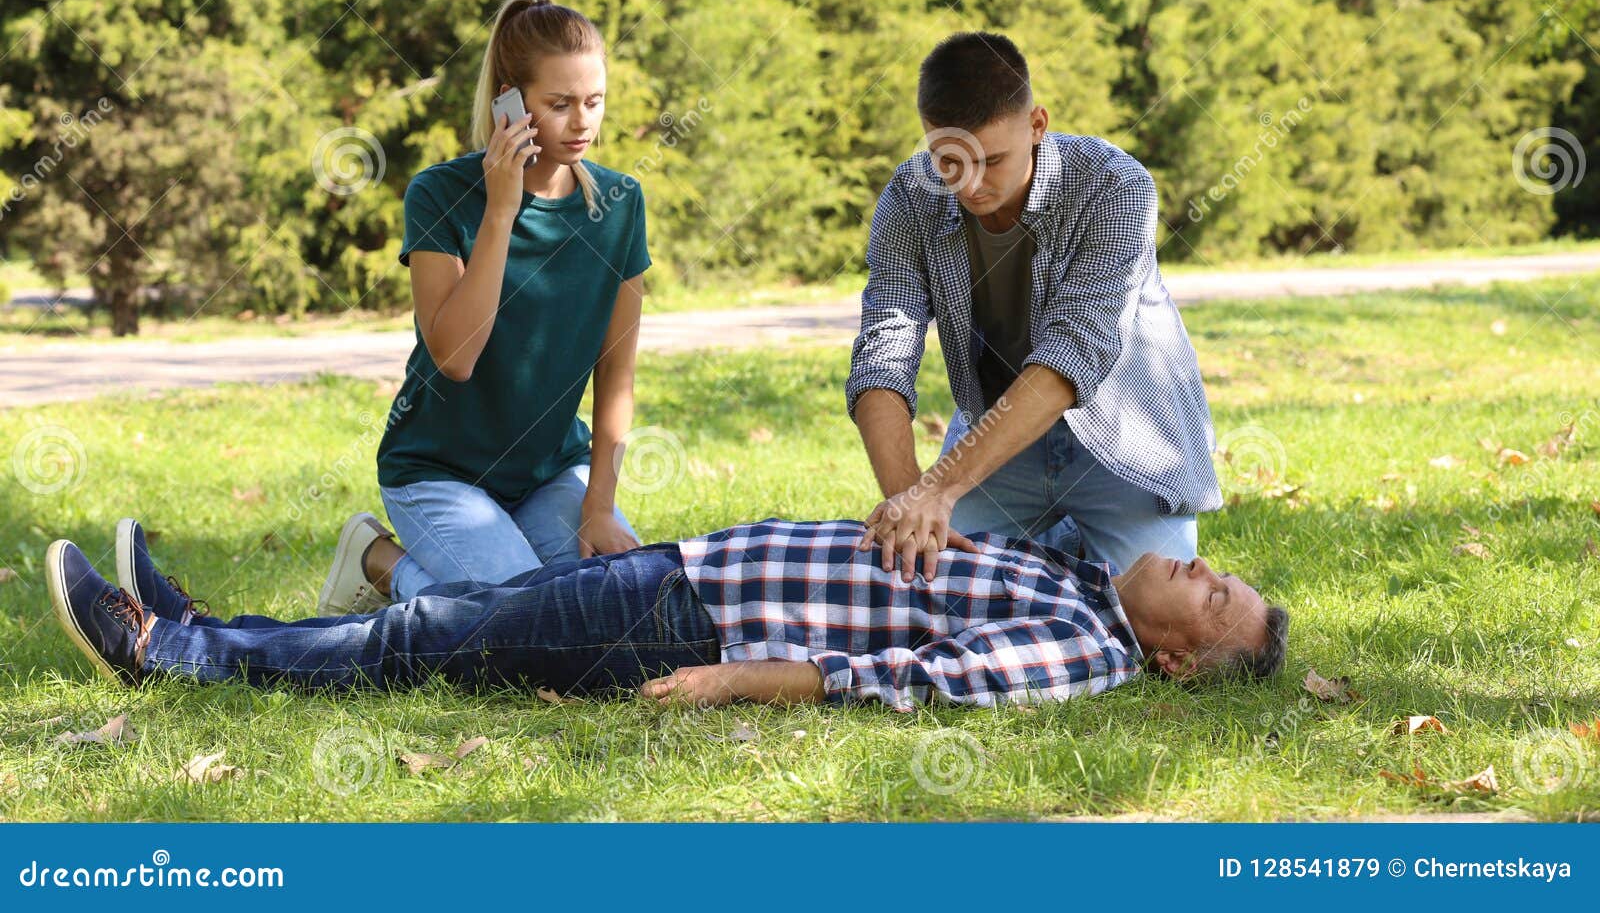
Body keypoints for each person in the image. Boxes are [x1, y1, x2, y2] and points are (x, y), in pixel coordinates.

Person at [48, 516, 1287, 711]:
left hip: (693, 621)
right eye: (1213, 570)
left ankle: (175, 652)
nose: (1196, 568)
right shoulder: (1080, 584)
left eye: (1212, 594)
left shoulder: (1079, 647)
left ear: (1176, 658)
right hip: (699, 568)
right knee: (461, 615)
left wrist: (732, 680)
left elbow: (915, 677)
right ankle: (211, 629)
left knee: (426, 636)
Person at [317, 0, 650, 616]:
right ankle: (381, 563)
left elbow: (616, 372)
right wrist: (500, 210)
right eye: (559, 105)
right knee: (528, 623)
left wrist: (599, 506)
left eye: (594, 101)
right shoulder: (439, 193)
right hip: (437, 472)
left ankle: (439, 572)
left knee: (622, 612)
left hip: (550, 471)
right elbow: (457, 358)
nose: (582, 123)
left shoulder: (620, 203)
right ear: (510, 102)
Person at [848, 32, 1221, 583]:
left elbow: (1073, 352)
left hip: (1125, 445)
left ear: (1037, 124)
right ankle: (1049, 548)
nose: (969, 184)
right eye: (949, 161)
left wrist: (940, 487)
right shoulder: (910, 197)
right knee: (911, 581)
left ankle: (1059, 546)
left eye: (991, 159)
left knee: (1150, 618)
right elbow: (885, 349)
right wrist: (911, 503)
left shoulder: (1115, 186)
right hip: (994, 443)